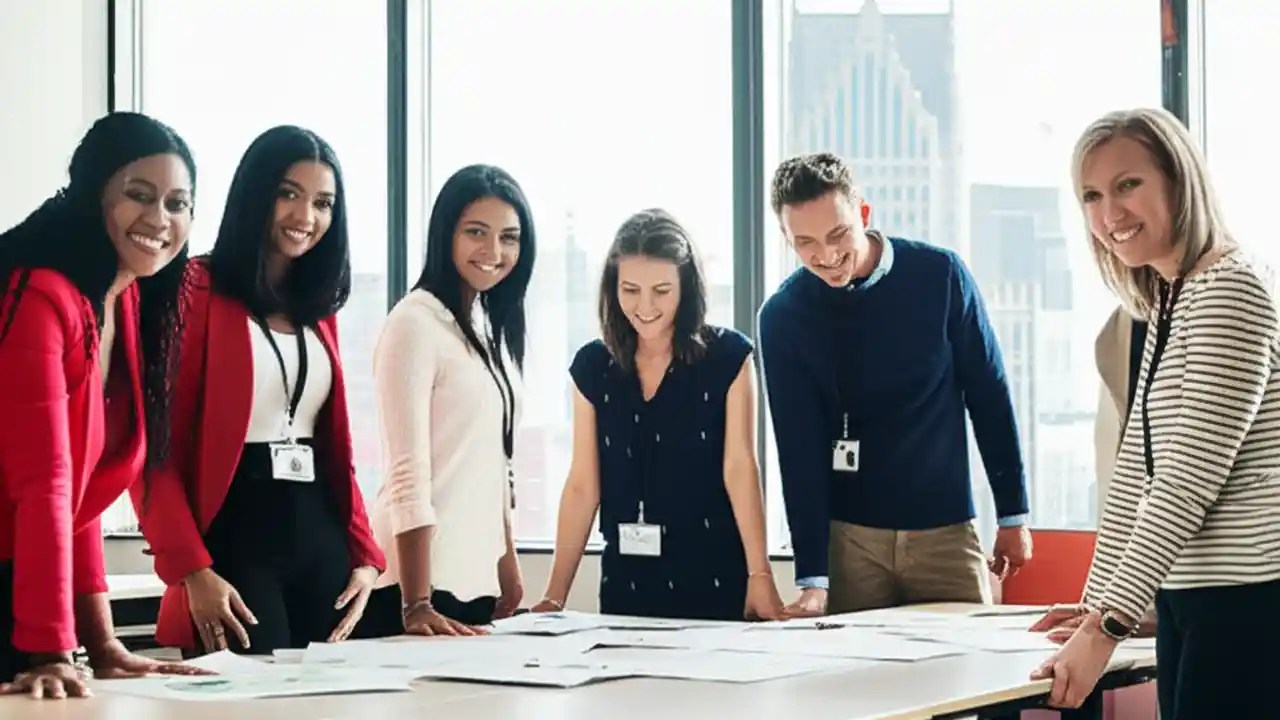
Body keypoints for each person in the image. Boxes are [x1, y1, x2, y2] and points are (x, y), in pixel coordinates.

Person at [1029, 107, 1280, 717]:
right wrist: (1097, 605)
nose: (1109, 214)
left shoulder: (1231, 289)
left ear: (1178, 180)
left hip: (1249, 601)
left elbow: (1185, 480)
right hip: (1192, 599)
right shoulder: (1171, 297)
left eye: (1127, 184)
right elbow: (1135, 475)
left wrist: (1105, 628)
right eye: (1091, 194)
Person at [137, 126, 385, 656]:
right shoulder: (192, 288)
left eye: (323, 202)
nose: (306, 216)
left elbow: (334, 451)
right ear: (256, 194)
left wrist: (365, 556)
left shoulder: (318, 310)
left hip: (319, 545)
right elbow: (155, 451)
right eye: (288, 194)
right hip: (233, 543)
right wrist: (189, 569)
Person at [757, 152, 1033, 617]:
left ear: (863, 214)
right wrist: (812, 579)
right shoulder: (783, 317)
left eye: (837, 233)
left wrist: (1013, 516)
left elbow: (989, 395)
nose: (825, 255)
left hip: (945, 533)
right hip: (850, 543)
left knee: (967, 673)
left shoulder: (941, 275)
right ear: (785, 237)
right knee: (854, 685)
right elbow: (797, 450)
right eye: (804, 242)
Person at [0, 112, 204, 698]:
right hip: (16, 604)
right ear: (95, 198)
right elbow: (46, 483)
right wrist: (50, 648)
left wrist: (103, 646)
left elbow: (82, 500)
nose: (159, 220)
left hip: (29, 600)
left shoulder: (123, 300)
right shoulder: (42, 295)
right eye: (139, 196)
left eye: (177, 203)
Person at [531, 209, 785, 621]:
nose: (644, 307)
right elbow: (582, 485)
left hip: (714, 582)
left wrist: (761, 574)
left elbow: (740, 469)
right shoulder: (593, 366)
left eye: (661, 291)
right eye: (630, 290)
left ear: (687, 287)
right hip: (626, 587)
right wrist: (554, 597)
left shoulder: (729, 358)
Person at [367, 164, 535, 635]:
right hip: (414, 588)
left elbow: (497, 463)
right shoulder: (414, 322)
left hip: (472, 583)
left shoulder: (486, 328)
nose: (494, 251)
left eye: (509, 237)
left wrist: (508, 568)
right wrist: (416, 602)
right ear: (446, 235)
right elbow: (407, 472)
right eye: (476, 233)